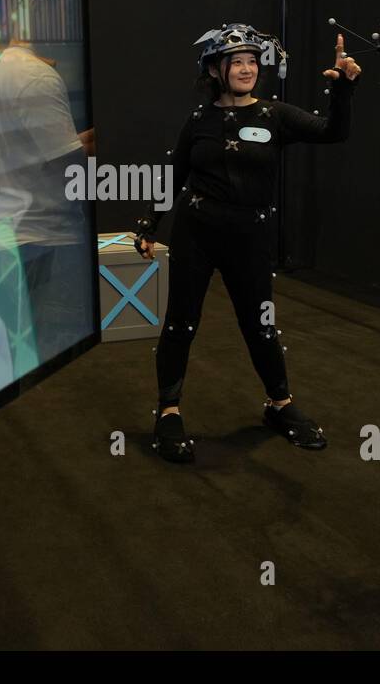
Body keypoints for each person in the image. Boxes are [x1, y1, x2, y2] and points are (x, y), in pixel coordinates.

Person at [134, 23, 361, 463]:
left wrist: (345, 91)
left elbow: (333, 132)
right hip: (196, 234)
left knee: (260, 325)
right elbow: (174, 177)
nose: (246, 69)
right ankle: (168, 410)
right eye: (236, 62)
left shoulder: (275, 115)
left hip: (251, 238)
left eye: (252, 61)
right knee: (181, 323)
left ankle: (280, 405)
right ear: (216, 69)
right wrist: (149, 224)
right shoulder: (198, 121)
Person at [0, 6, 95, 364]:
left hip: (23, 232)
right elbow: (69, 164)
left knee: (30, 347)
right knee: (58, 356)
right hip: (49, 236)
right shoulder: (35, 77)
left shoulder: (5, 70)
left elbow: (42, 152)